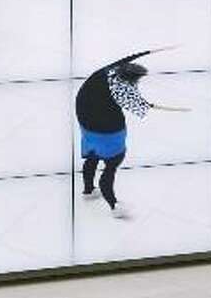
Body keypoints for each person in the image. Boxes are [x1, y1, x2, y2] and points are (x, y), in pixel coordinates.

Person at [75, 47, 188, 218]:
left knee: (93, 156)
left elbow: (126, 58)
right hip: (107, 130)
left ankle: (88, 190)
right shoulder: (122, 90)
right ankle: (114, 206)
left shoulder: (109, 70)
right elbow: (139, 104)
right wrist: (151, 105)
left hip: (85, 118)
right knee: (111, 165)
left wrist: (147, 52)